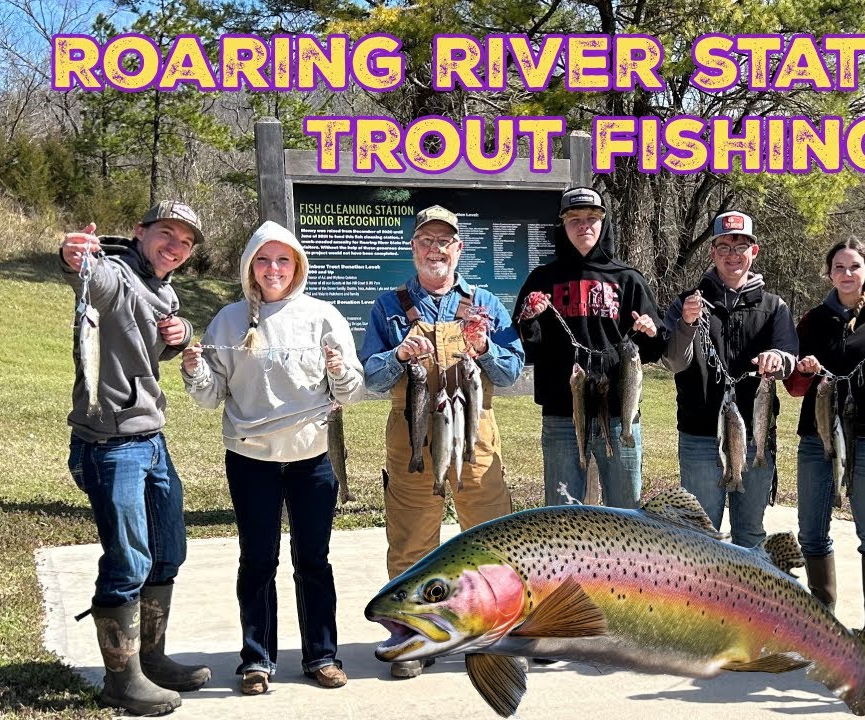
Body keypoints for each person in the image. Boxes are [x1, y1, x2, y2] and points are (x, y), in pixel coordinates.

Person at [181, 220, 364, 695]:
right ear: (249, 267)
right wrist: (195, 370)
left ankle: (322, 655)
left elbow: (353, 392)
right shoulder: (227, 319)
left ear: (298, 265)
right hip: (250, 459)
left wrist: (340, 371)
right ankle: (256, 660)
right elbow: (210, 397)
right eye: (263, 260)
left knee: (314, 560)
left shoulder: (324, 317)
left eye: (283, 259)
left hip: (313, 458)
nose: (273, 268)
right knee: (258, 560)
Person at [359, 205, 524, 679]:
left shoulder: (486, 303)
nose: (436, 250)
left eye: (445, 241)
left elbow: (512, 371)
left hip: (475, 439)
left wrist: (486, 348)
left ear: (459, 249)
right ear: (414, 248)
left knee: (489, 538)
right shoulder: (388, 306)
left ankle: (492, 630)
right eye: (427, 241)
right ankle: (412, 637)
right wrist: (398, 354)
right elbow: (371, 376)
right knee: (412, 543)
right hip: (411, 438)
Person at [58, 201, 211, 716]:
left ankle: (152, 659)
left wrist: (182, 334)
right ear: (140, 233)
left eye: (186, 242)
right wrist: (74, 255)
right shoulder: (118, 275)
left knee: (167, 552)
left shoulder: (163, 289)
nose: (175, 246)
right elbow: (93, 278)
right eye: (166, 233)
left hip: (152, 440)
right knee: (127, 561)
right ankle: (122, 681)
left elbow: (153, 343)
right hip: (110, 444)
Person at [783, 238, 865, 634]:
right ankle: (822, 617)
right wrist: (803, 370)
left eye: (854, 267)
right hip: (817, 436)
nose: (847, 274)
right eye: (839, 267)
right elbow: (795, 389)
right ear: (830, 273)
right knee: (812, 530)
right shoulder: (813, 319)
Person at [513, 187, 667, 509]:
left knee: (625, 508)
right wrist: (528, 320)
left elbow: (654, 350)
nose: (584, 226)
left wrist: (651, 332)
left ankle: (623, 561)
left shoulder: (627, 279)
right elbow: (528, 350)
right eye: (575, 220)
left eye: (592, 219)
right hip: (562, 413)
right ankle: (567, 561)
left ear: (604, 224)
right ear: (562, 226)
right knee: (561, 508)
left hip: (619, 411)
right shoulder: (542, 279)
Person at [662, 210, 798, 548]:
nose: (732, 256)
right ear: (712, 253)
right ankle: (703, 601)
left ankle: (747, 602)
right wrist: (687, 324)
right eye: (724, 247)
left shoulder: (774, 307)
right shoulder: (688, 303)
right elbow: (674, 361)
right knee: (699, 537)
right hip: (699, 438)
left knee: (750, 534)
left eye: (740, 247)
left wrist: (777, 359)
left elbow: (789, 359)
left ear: (755, 251)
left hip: (755, 437)